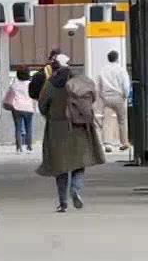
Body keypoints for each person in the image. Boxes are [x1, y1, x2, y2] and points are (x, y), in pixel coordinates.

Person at [38, 59, 106, 212]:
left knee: (60, 167)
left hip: (57, 128)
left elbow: (42, 106)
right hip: (79, 126)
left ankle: (63, 202)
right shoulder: (82, 83)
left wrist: (51, 113)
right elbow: (92, 99)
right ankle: (75, 188)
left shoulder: (51, 85)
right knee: (79, 162)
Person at [94, 50, 132, 152]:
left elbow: (98, 84)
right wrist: (126, 95)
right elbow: (126, 84)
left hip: (106, 97)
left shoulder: (103, 70)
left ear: (108, 58)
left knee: (107, 120)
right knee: (122, 120)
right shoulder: (121, 70)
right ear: (117, 58)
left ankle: (107, 144)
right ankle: (124, 142)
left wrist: (101, 96)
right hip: (118, 96)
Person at [1, 69, 36, 153]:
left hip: (17, 108)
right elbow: (34, 96)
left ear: (18, 75)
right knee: (29, 127)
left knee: (18, 128)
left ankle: (19, 148)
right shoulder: (31, 84)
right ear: (28, 74)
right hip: (28, 108)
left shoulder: (14, 85)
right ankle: (29, 146)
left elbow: (9, 96)